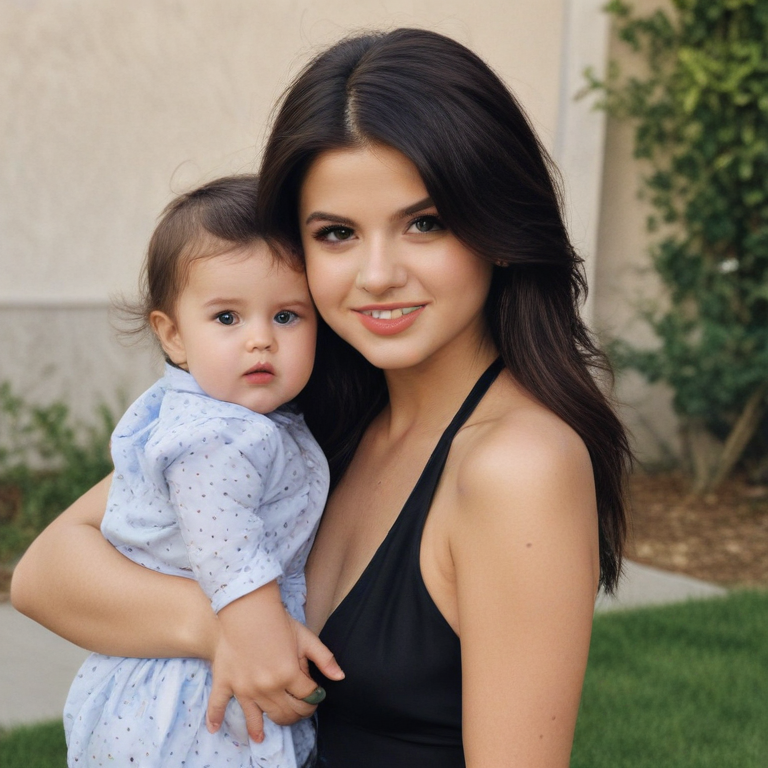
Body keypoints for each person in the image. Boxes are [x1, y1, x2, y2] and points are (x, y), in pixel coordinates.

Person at [12, 29, 631, 768]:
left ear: (496, 228)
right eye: (337, 233)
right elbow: (47, 572)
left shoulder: (519, 465)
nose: (377, 274)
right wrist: (229, 628)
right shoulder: (302, 409)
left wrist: (244, 628)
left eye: (425, 223)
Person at [60, 175, 340, 768]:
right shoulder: (215, 435)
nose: (260, 340)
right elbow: (225, 547)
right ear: (174, 336)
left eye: (287, 316)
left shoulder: (225, 416)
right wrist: (264, 642)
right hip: (189, 695)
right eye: (227, 317)